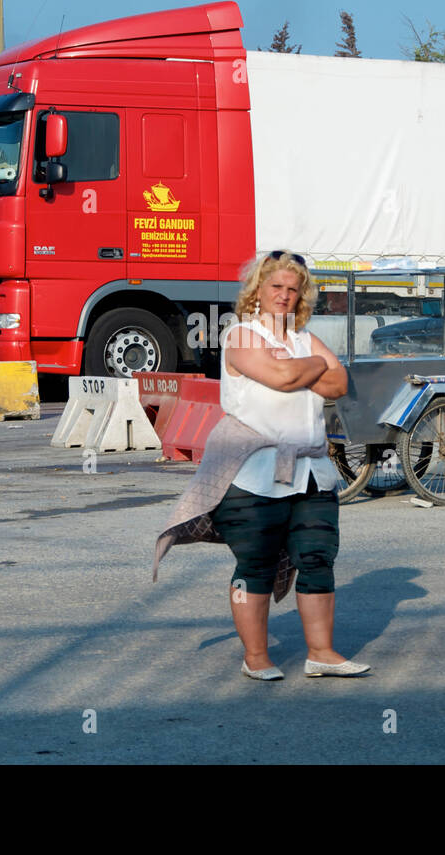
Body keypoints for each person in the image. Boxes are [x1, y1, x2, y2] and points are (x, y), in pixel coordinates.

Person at [153, 250, 369, 681]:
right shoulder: (241, 336)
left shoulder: (304, 338)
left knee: (317, 558)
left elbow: (340, 383)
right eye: (277, 287)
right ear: (258, 290)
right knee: (256, 563)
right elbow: (284, 379)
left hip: (311, 470)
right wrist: (311, 366)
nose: (285, 296)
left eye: (293, 289)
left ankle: (322, 652)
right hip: (253, 471)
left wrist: (298, 366)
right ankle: (256, 657)